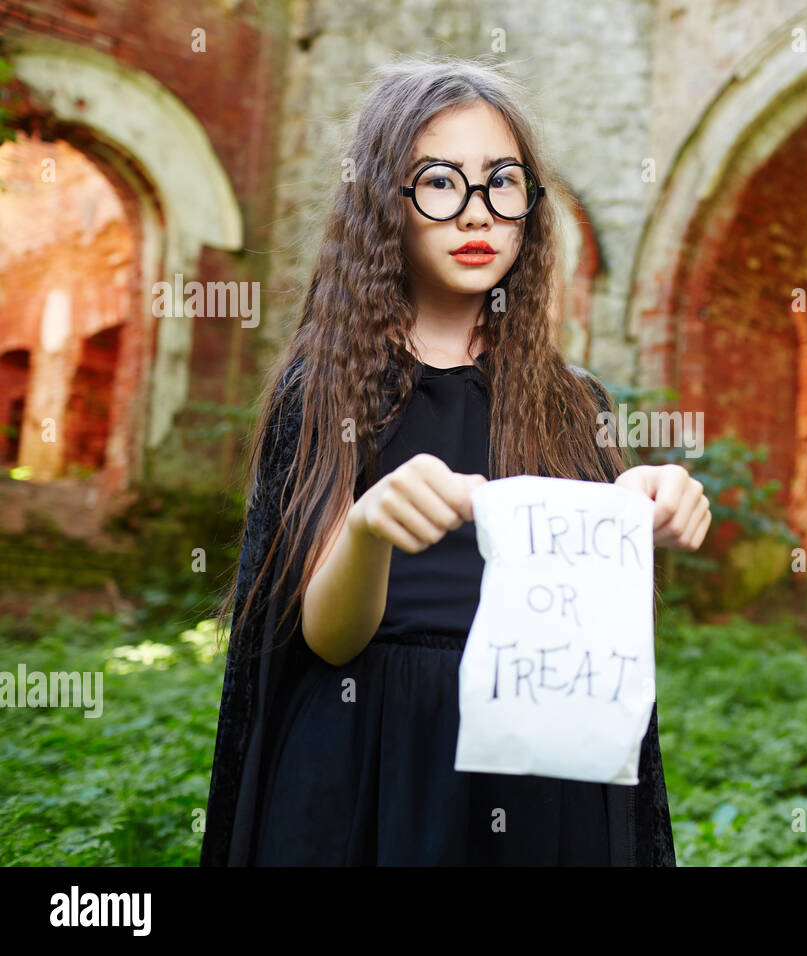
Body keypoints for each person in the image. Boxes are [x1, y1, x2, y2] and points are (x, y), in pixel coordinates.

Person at [199, 54, 710, 866]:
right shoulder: (328, 390)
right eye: (440, 181)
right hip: (379, 759)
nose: (477, 212)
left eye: (503, 182)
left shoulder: (575, 401)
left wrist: (644, 507)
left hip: (545, 773)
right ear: (383, 203)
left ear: (531, 208)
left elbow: (594, 630)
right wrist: (368, 530)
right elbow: (327, 642)